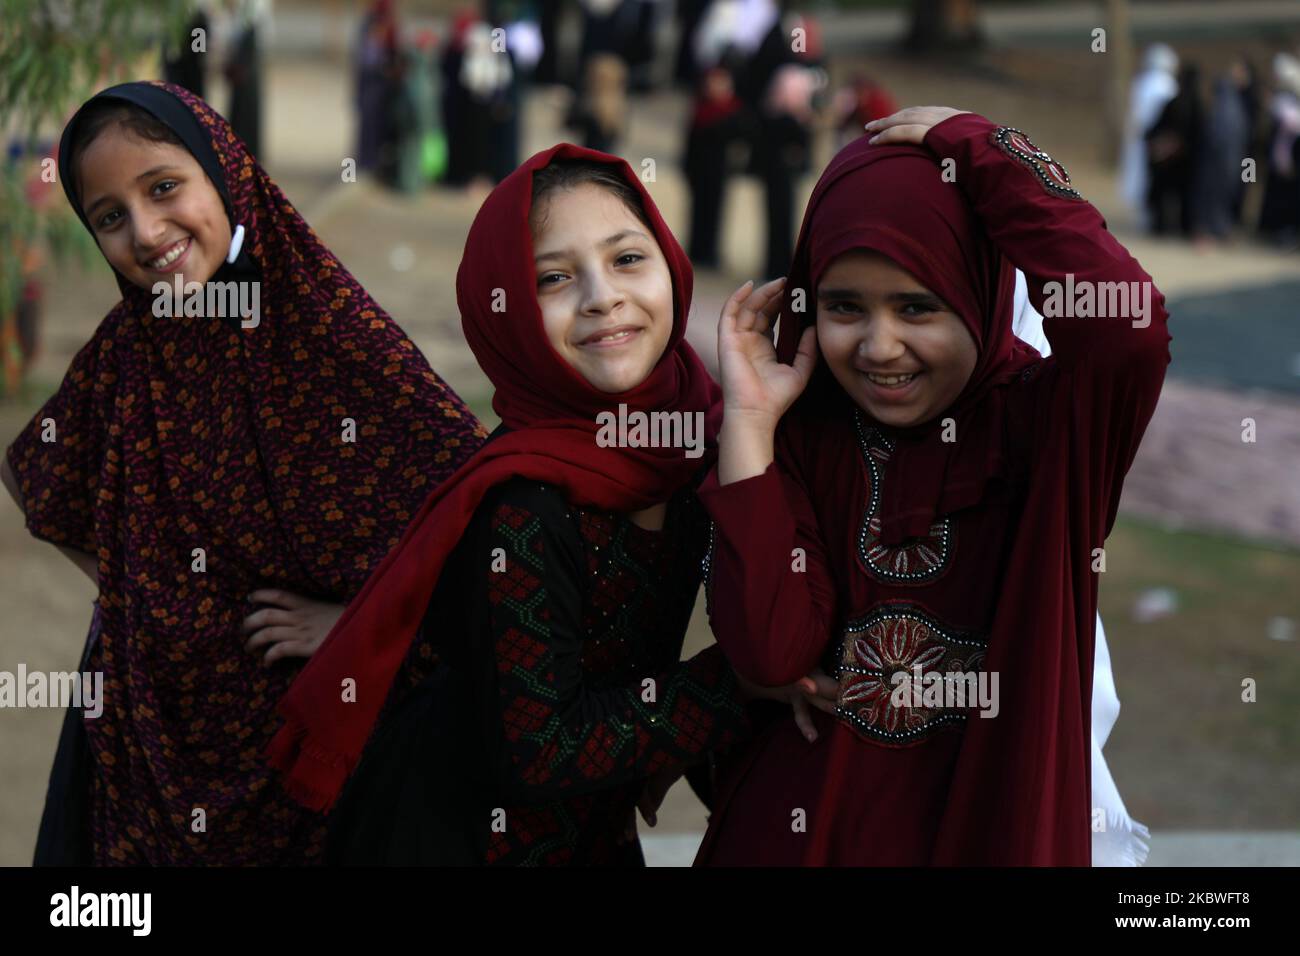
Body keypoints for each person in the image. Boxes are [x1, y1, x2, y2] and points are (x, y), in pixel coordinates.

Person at [266, 145, 834, 864]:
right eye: (553, 278)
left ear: (670, 263)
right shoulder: (528, 503)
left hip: (594, 829)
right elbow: (542, 751)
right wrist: (732, 685)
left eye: (627, 258)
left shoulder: (693, 437)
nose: (601, 296)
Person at [1, 81, 484, 864]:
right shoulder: (131, 345)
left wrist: (347, 632)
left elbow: (480, 534)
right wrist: (134, 589)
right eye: (110, 217)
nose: (147, 232)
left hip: (302, 768)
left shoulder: (331, 334)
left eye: (164, 188)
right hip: (143, 760)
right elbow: (35, 470)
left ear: (224, 171)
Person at [692, 107, 1170, 864]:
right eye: (846, 307)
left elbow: (1127, 326)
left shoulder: (1046, 428)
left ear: (978, 291)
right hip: (802, 830)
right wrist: (747, 424)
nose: (880, 348)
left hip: (986, 822)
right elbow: (773, 651)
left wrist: (989, 152)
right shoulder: (805, 429)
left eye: (918, 307)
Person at [1119, 44, 1178, 231]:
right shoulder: (1168, 85)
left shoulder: (1142, 83)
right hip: (1156, 140)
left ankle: (1142, 213)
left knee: (1139, 176)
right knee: (1148, 178)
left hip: (1141, 138)